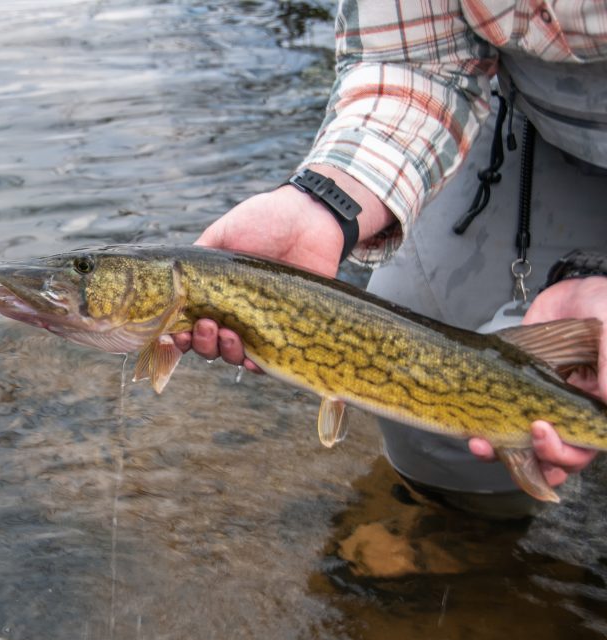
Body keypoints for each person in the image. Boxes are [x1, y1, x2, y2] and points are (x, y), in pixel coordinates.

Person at [175, 0, 607, 518]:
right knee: (416, 314)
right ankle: (464, 542)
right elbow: (415, 64)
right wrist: (323, 203)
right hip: (541, 125)